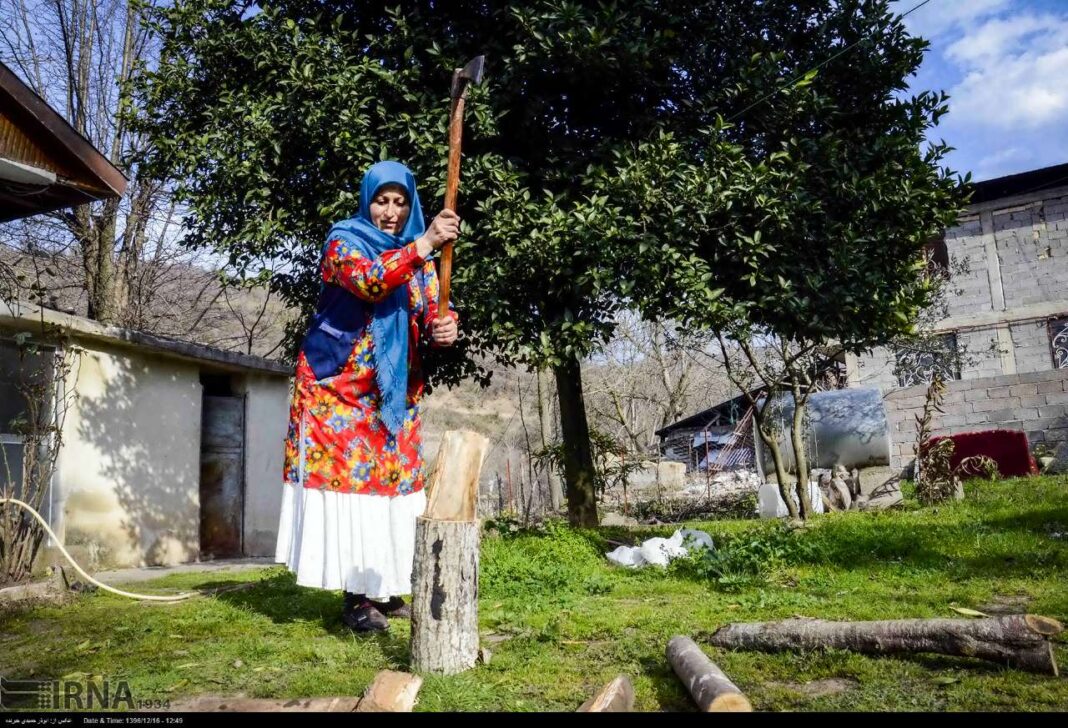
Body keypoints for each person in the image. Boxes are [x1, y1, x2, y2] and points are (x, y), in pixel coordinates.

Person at [274, 160, 460, 632]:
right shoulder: (344, 242)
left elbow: (428, 317)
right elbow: (372, 281)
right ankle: (355, 597)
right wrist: (425, 244)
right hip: (337, 395)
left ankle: (385, 587)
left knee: (394, 493)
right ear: (367, 201)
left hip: (393, 396)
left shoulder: (421, 262)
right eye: (382, 200)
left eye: (401, 202)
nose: (391, 212)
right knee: (354, 494)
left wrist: (444, 328)